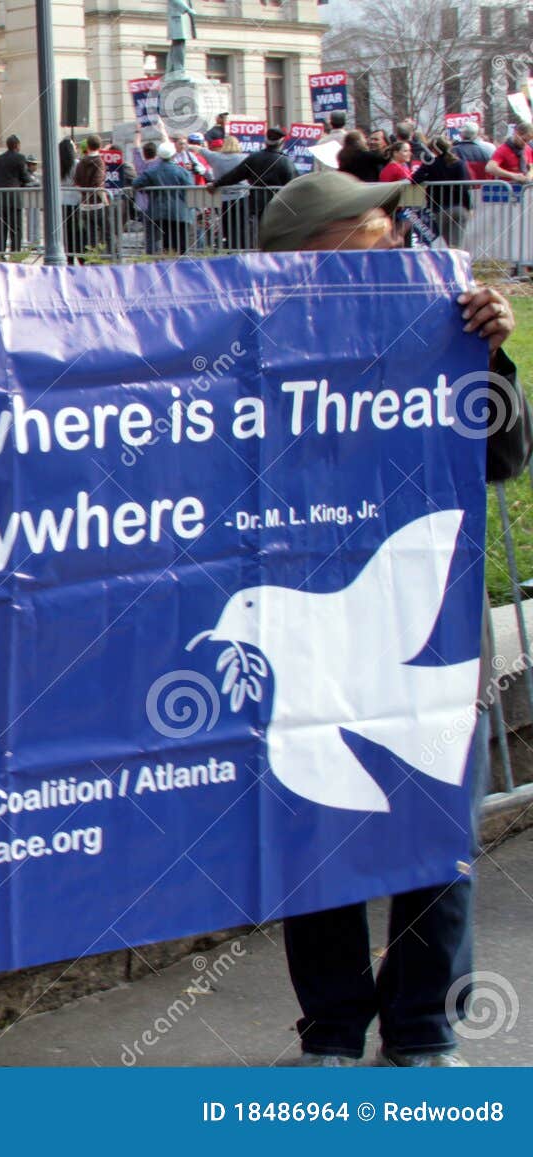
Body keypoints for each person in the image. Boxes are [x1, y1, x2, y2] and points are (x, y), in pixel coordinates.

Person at [258, 170, 531, 1066]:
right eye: (378, 231)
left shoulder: (443, 323)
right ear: (317, 251)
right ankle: (333, 1026)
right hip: (304, 621)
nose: (402, 243)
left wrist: (492, 360)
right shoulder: (245, 342)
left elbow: (502, 460)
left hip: (423, 615)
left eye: (397, 230)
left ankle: (423, 1027)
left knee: (427, 823)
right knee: (315, 814)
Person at [211, 126, 298, 249]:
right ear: (282, 142)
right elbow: (294, 184)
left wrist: (216, 184)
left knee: (255, 236)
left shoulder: (255, 158)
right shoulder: (285, 161)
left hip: (255, 204)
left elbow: (235, 175)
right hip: (278, 205)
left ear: (265, 140)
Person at [132, 141, 195, 255]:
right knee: (181, 246)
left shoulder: (152, 172)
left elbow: (136, 183)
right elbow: (192, 188)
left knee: (165, 244)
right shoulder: (182, 171)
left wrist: (147, 188)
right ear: (173, 155)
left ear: (159, 155)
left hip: (158, 213)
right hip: (180, 213)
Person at [414, 135, 472, 247]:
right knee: (455, 244)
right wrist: (469, 207)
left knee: (445, 243)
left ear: (433, 150)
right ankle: (456, 262)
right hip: (458, 208)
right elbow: (464, 188)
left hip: (438, 209)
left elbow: (415, 179)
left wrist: (426, 170)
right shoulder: (459, 163)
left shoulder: (430, 163)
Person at [67, 133, 109, 264]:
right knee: (108, 232)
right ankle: (108, 259)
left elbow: (77, 182)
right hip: (97, 204)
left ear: (88, 146)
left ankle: (92, 259)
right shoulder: (99, 162)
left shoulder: (81, 162)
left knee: (90, 235)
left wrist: (84, 194)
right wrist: (105, 200)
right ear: (100, 146)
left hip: (84, 205)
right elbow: (98, 184)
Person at [0, 134, 29, 255]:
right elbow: (24, 176)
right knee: (16, 228)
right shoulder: (20, 158)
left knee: (1, 228)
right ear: (17, 145)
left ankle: (0, 254)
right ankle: (15, 254)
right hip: (13, 198)